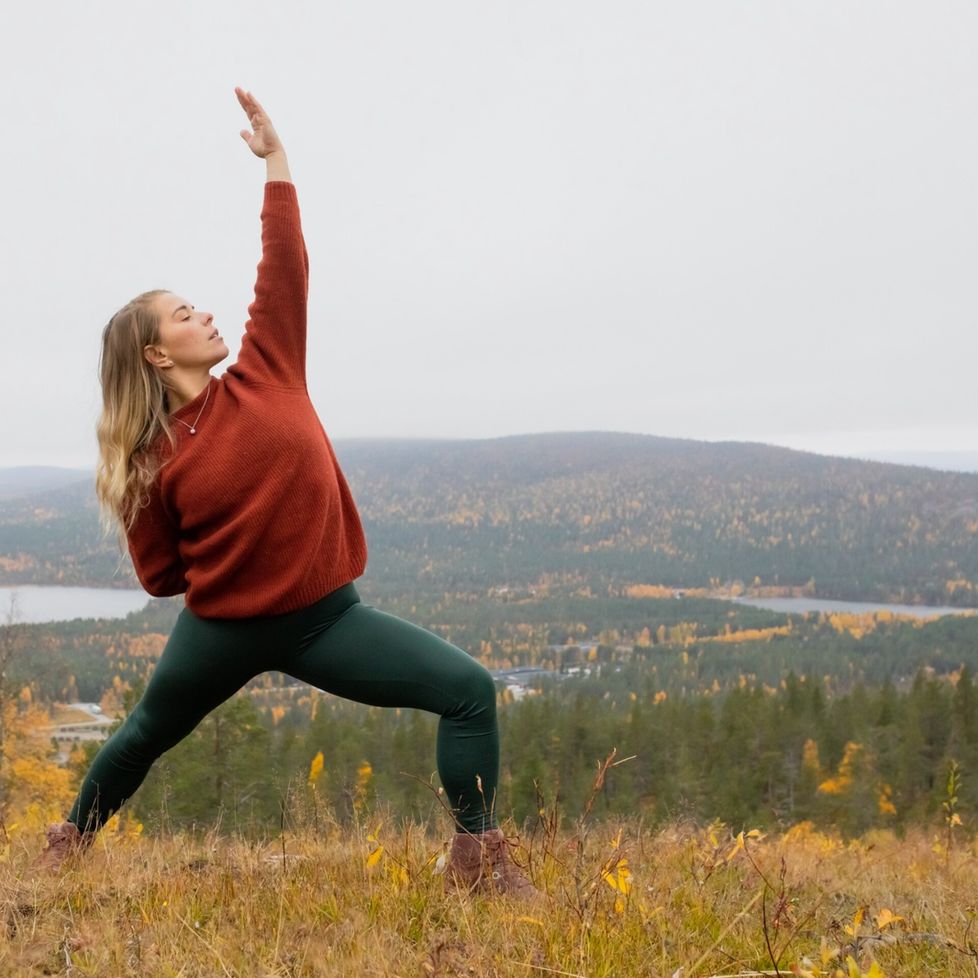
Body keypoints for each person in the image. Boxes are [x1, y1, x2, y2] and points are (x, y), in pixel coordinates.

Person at [40, 88, 537, 900]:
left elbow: (284, 262)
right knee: (139, 738)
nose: (202, 314)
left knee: (469, 693)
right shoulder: (149, 462)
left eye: (196, 304)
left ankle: (477, 864)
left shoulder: (268, 365)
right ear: (158, 358)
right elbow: (161, 577)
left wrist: (276, 160)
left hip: (327, 621)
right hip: (222, 634)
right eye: (182, 314)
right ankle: (66, 847)